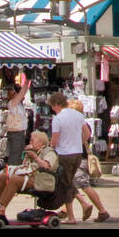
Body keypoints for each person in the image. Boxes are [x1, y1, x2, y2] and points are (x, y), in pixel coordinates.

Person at [0, 130, 59, 217]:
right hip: (29, 177)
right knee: (3, 176)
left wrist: (35, 157)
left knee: (14, 179)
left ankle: (1, 209)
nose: (30, 142)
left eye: (32, 141)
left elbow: (46, 166)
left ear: (40, 143)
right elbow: (25, 167)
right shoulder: (33, 152)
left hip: (41, 180)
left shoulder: (49, 152)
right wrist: (26, 156)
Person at [64, 98, 110, 223]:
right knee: (69, 184)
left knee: (83, 185)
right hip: (80, 158)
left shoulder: (78, 124)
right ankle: (65, 210)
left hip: (79, 159)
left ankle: (102, 210)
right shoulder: (83, 123)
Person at [48, 92, 86, 221]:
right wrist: (77, 142)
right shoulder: (78, 115)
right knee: (68, 182)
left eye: (53, 106)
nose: (53, 109)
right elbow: (86, 133)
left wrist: (51, 147)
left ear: (57, 105)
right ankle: (83, 204)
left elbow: (54, 141)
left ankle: (72, 216)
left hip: (64, 154)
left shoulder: (57, 119)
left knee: (65, 184)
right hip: (78, 153)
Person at [5, 81, 29, 166]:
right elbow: (22, 93)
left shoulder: (18, 104)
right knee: (15, 155)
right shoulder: (12, 103)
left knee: (20, 155)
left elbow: (22, 93)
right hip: (16, 133)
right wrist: (27, 81)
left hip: (20, 133)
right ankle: (11, 174)